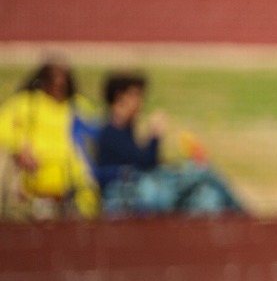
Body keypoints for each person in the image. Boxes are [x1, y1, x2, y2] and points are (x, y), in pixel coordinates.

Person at [93, 71, 246, 216]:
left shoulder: (124, 129)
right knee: (201, 170)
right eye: (136, 95)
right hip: (131, 195)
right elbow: (145, 163)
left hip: (141, 190)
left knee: (207, 196)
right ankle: (248, 218)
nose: (141, 102)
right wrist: (155, 136)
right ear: (120, 97)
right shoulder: (111, 131)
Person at [0, 59, 99, 218]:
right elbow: (3, 127)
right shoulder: (27, 103)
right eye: (54, 81)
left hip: (73, 183)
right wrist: (19, 147)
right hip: (35, 181)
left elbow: (97, 132)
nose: (59, 85)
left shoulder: (77, 106)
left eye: (63, 81)